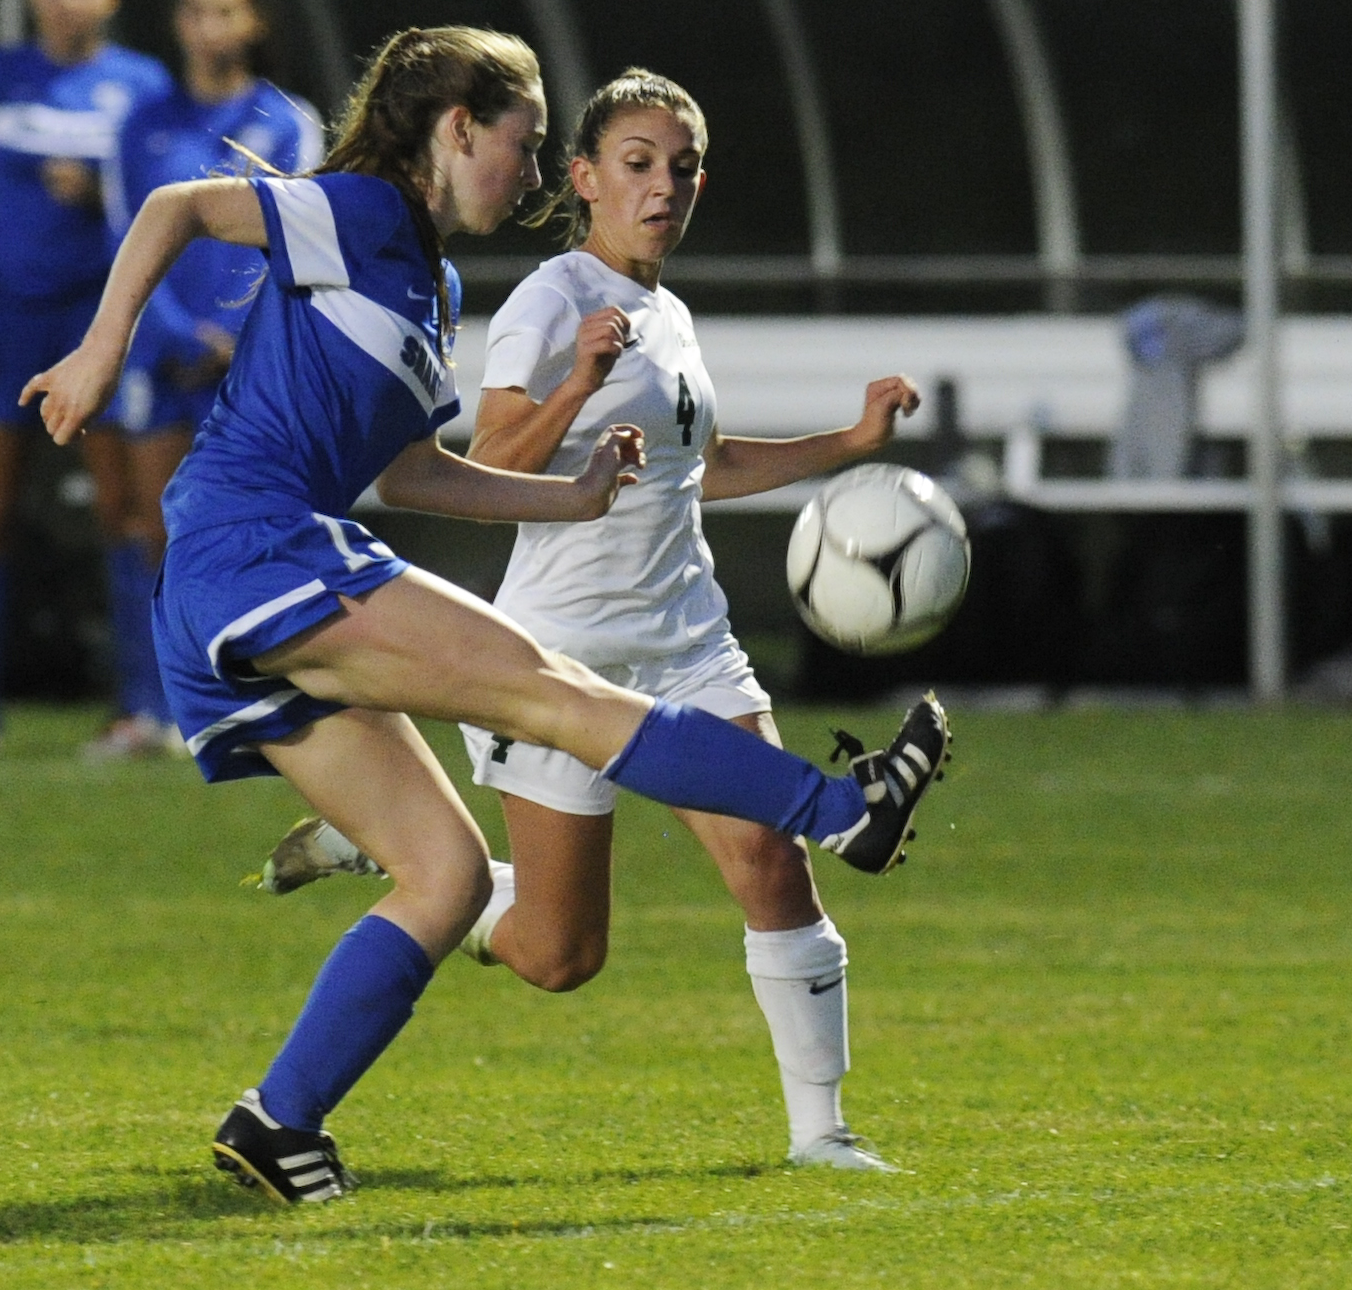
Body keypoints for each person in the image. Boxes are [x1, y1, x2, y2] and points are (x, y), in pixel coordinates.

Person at [19, 27, 948, 1204]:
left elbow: (415, 474)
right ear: (457, 131)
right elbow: (174, 207)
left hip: (265, 567)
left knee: (451, 877)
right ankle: (840, 808)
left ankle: (275, 1123)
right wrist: (101, 355)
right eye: (520, 146)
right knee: (559, 696)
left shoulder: (429, 279)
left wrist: (574, 494)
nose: (526, 173)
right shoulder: (360, 210)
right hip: (255, 549)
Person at [259, 69, 932, 1171]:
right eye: (635, 164)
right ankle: (409, 859)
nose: (659, 186)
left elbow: (697, 468)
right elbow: (484, 462)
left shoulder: (666, 313)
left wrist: (847, 446)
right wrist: (575, 384)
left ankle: (824, 1136)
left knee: (772, 865)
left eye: (678, 168)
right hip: (559, 660)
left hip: (688, 639)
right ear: (582, 179)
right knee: (560, 955)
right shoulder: (551, 300)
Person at [0, 0, 171, 752]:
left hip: (97, 322)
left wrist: (96, 190)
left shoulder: (142, 87)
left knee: (125, 509)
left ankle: (144, 706)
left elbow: (161, 203)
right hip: (4, 318)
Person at [94, 0, 322, 758]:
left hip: (253, 369)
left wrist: (245, 342)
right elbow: (126, 238)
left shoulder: (290, 122)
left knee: (254, 530)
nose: (210, 27)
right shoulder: (138, 123)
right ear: (177, 23)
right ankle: (150, 709)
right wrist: (183, 337)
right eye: (197, 11)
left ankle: (264, 705)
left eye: (226, 12)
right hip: (163, 358)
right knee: (147, 527)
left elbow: (308, 245)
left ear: (253, 22)